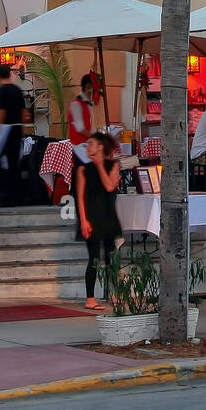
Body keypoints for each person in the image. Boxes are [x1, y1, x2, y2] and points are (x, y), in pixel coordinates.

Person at [76, 131, 122, 309]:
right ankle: (90, 298)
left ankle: (115, 293)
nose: (87, 147)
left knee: (111, 256)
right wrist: (83, 220)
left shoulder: (113, 165)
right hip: (91, 215)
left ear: (100, 147)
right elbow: (80, 197)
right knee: (93, 257)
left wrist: (100, 164)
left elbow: (110, 186)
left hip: (108, 215)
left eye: (91, 143)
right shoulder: (82, 169)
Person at [0, 62, 27, 206]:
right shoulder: (17, 90)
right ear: (10, 73)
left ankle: (1, 196)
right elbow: (24, 113)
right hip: (18, 128)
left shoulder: (2, 91)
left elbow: (0, 113)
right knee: (14, 163)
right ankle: (16, 197)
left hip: (5, 129)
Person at [68, 75, 98, 164]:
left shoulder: (88, 104)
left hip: (87, 145)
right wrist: (96, 138)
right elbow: (80, 128)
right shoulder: (76, 105)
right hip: (78, 147)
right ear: (88, 87)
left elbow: (90, 127)